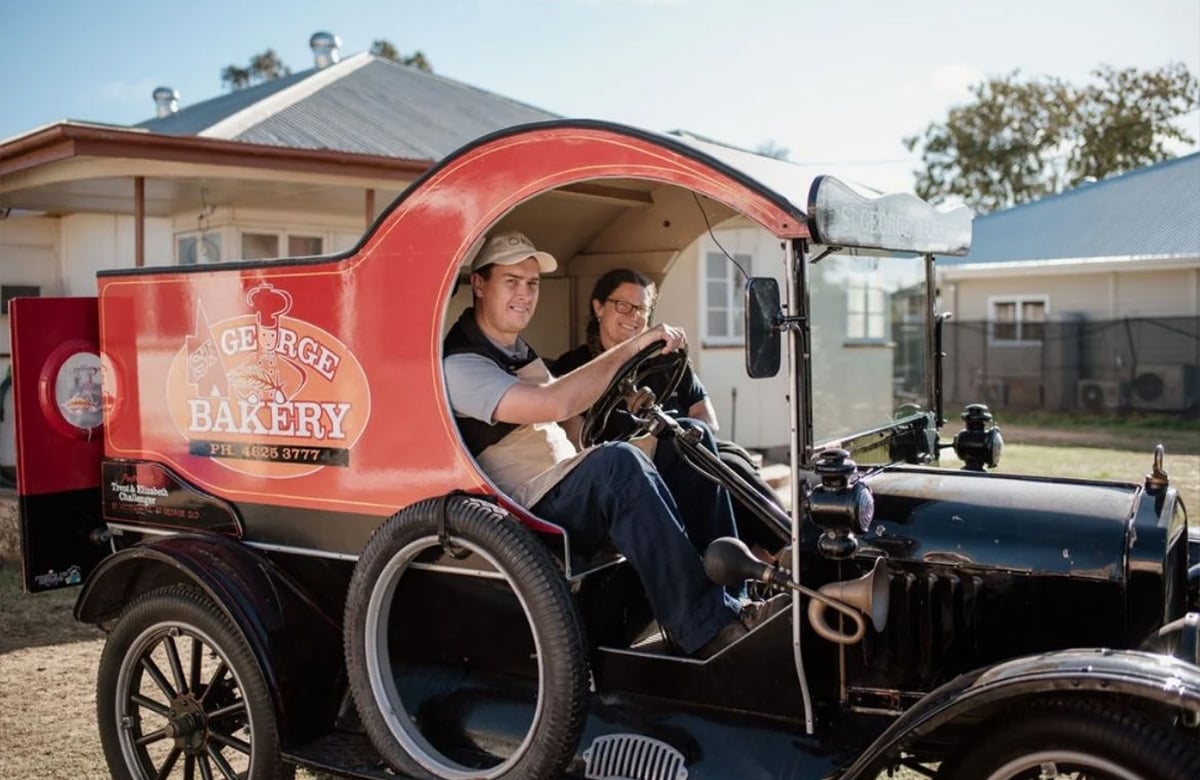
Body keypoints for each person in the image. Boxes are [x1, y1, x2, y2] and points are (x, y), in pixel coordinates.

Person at [442, 231, 783, 658]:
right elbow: (555, 401)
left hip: (564, 477)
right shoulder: (462, 365)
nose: (524, 295)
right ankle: (704, 628)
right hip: (524, 506)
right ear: (479, 284)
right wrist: (634, 345)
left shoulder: (517, 351)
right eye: (511, 281)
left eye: (531, 284)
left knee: (689, 441)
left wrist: (647, 428)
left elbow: (574, 425)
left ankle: (736, 601)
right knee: (618, 465)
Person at [551, 269, 785, 550]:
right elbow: (577, 444)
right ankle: (743, 565)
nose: (634, 316)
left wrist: (684, 446)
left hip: (690, 456)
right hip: (629, 474)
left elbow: (705, 418)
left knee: (730, 465)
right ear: (598, 307)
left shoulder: (668, 359)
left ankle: (791, 549)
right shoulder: (572, 368)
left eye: (642, 309)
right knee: (718, 471)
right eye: (623, 306)